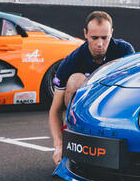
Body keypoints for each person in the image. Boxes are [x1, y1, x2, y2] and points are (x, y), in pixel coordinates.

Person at [49, 11, 135, 165]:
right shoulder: (72, 60)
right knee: (76, 80)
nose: (100, 44)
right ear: (85, 34)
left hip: (115, 106)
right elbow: (55, 110)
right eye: (94, 38)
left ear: (112, 33)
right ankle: (76, 130)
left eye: (105, 38)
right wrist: (59, 145)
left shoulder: (125, 51)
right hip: (84, 111)